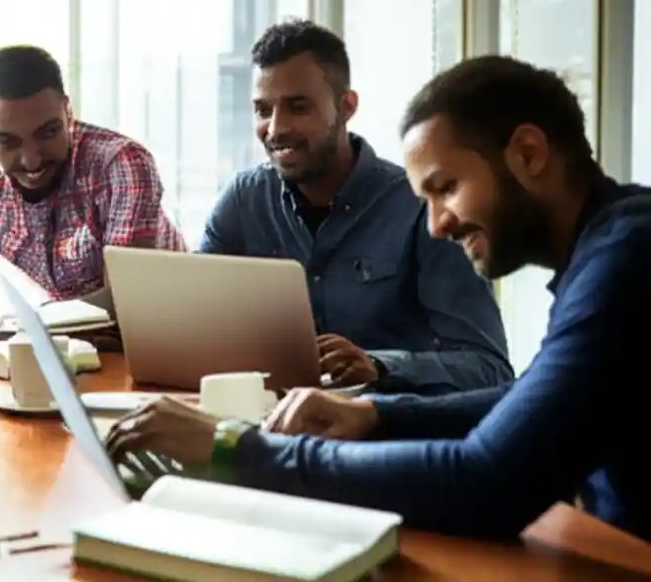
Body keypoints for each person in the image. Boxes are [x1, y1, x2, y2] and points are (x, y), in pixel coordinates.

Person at [106, 55, 650, 542]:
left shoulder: (627, 260)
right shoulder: (608, 245)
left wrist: (234, 448)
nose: (437, 225)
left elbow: (485, 483)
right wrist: (374, 415)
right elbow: (531, 400)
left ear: (528, 154)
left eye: (447, 188)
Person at [200, 20, 510, 394]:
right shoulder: (243, 201)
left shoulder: (423, 210)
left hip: (384, 436)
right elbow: (195, 323)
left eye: (297, 107)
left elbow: (489, 369)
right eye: (263, 110)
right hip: (266, 427)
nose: (275, 129)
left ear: (346, 107)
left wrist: (379, 366)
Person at [0, 44, 185, 303]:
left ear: (68, 111)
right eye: (8, 142)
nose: (31, 160)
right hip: (70, 336)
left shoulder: (121, 164)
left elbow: (126, 300)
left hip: (169, 323)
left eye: (48, 133)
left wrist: (37, 322)